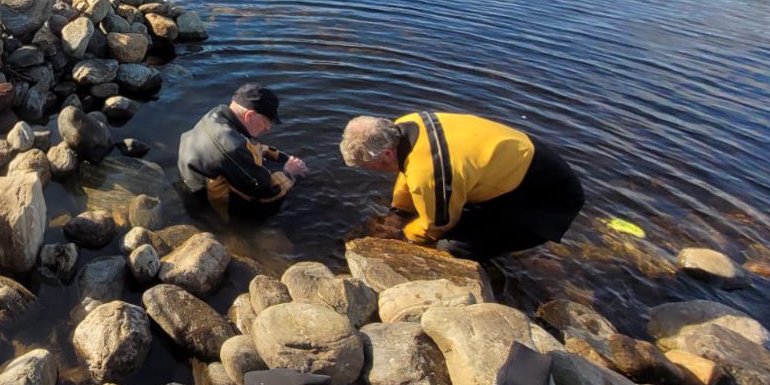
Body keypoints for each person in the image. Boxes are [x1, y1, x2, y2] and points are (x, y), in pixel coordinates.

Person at [339, 112, 585, 261]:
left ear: (387, 153)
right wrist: (399, 212)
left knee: (451, 246)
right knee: (443, 204)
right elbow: (408, 174)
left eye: (368, 166)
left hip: (544, 197)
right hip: (519, 161)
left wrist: (402, 237)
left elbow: (435, 225)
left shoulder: (428, 171)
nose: (369, 170)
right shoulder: (404, 126)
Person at [178, 83, 309, 217]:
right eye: (266, 122)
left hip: (194, 180)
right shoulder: (232, 147)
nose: (268, 128)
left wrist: (280, 156)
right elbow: (267, 190)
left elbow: (244, 145)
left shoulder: (216, 115)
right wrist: (289, 172)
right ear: (250, 115)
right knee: (277, 201)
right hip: (211, 204)